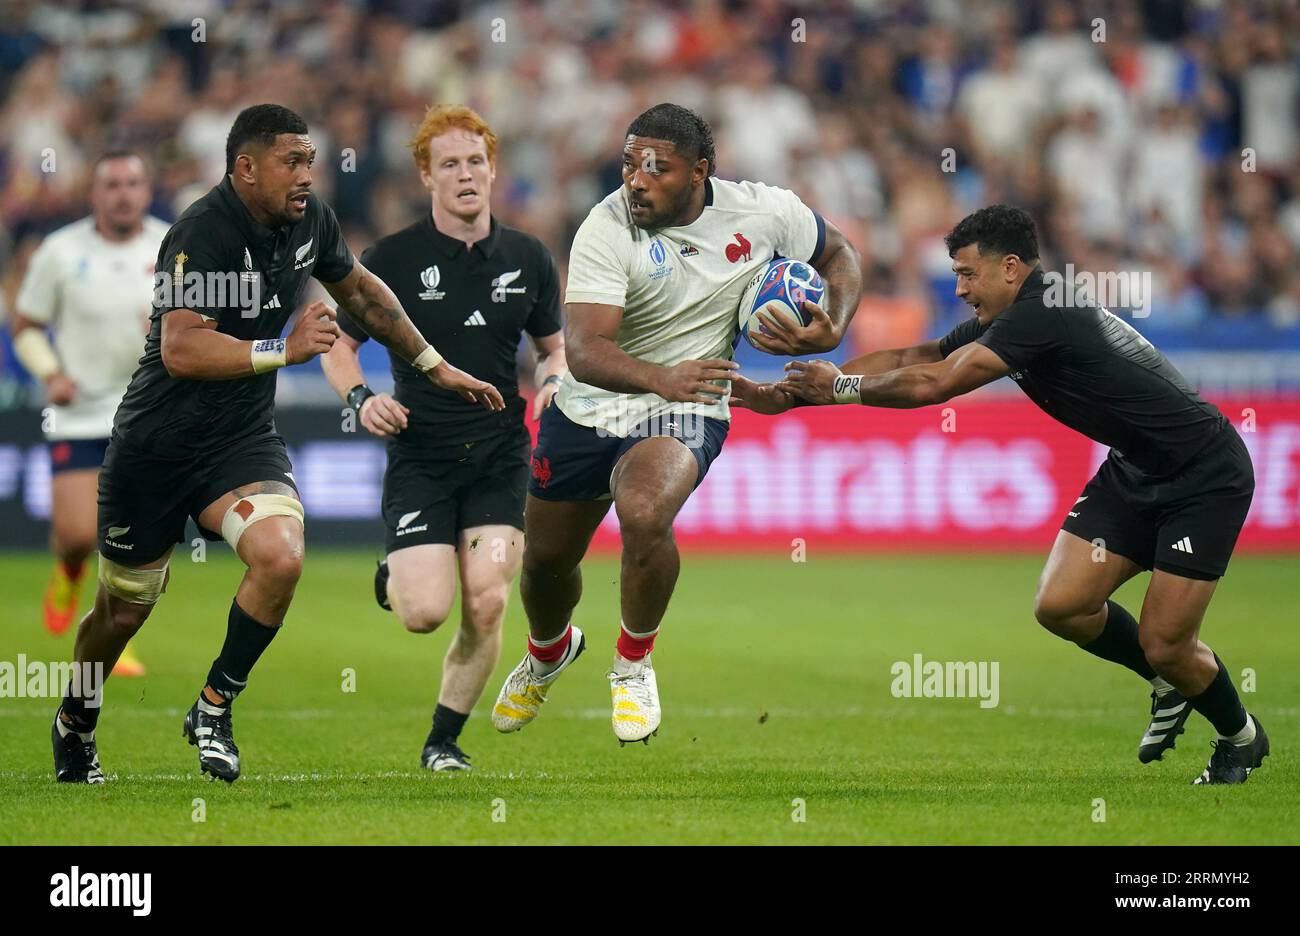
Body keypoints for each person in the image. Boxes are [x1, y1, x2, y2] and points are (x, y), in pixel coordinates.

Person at [735, 204, 1267, 785]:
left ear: (1011, 268)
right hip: (1134, 469)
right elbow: (919, 357)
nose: (959, 288)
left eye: (968, 274)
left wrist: (838, 389)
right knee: (1061, 606)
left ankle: (1240, 736)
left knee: (1165, 642)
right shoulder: (1015, 314)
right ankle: (1170, 683)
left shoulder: (1043, 312)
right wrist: (801, 387)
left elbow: (937, 384)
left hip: (1203, 474)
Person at [51, 103, 503, 785]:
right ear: (246, 167)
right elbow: (181, 347)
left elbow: (367, 298)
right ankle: (75, 721)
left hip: (238, 441)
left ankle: (213, 707)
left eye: (309, 161)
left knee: (281, 557)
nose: (305, 175)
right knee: (122, 610)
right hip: (155, 447)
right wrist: (284, 349)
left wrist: (435, 365)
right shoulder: (199, 233)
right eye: (291, 162)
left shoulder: (310, 220)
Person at [490, 103, 862, 744]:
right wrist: (662, 376)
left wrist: (834, 321)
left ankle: (632, 663)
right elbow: (583, 351)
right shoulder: (604, 228)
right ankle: (549, 651)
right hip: (590, 405)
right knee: (546, 564)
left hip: (689, 403)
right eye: (629, 163)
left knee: (644, 511)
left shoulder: (765, 212)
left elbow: (842, 255)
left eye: (655, 168)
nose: (635, 180)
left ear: (699, 173)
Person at [322, 105, 566, 772]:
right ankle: (399, 574)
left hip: (498, 453)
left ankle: (443, 740)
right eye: (450, 164)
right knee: (423, 612)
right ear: (426, 177)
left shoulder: (527, 257)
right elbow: (336, 346)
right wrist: (360, 397)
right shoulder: (389, 259)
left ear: (494, 171)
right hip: (421, 453)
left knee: (487, 600)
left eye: (476, 162)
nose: (466, 175)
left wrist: (552, 380)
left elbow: (553, 349)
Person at [12, 151, 166, 676]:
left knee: (130, 540)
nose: (123, 192)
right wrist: (50, 372)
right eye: (112, 184)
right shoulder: (60, 251)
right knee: (80, 534)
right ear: (94, 194)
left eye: (133, 182)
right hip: (77, 411)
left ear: (147, 191)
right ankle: (68, 570)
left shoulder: (174, 248)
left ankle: (116, 635)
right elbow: (26, 324)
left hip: (147, 412)